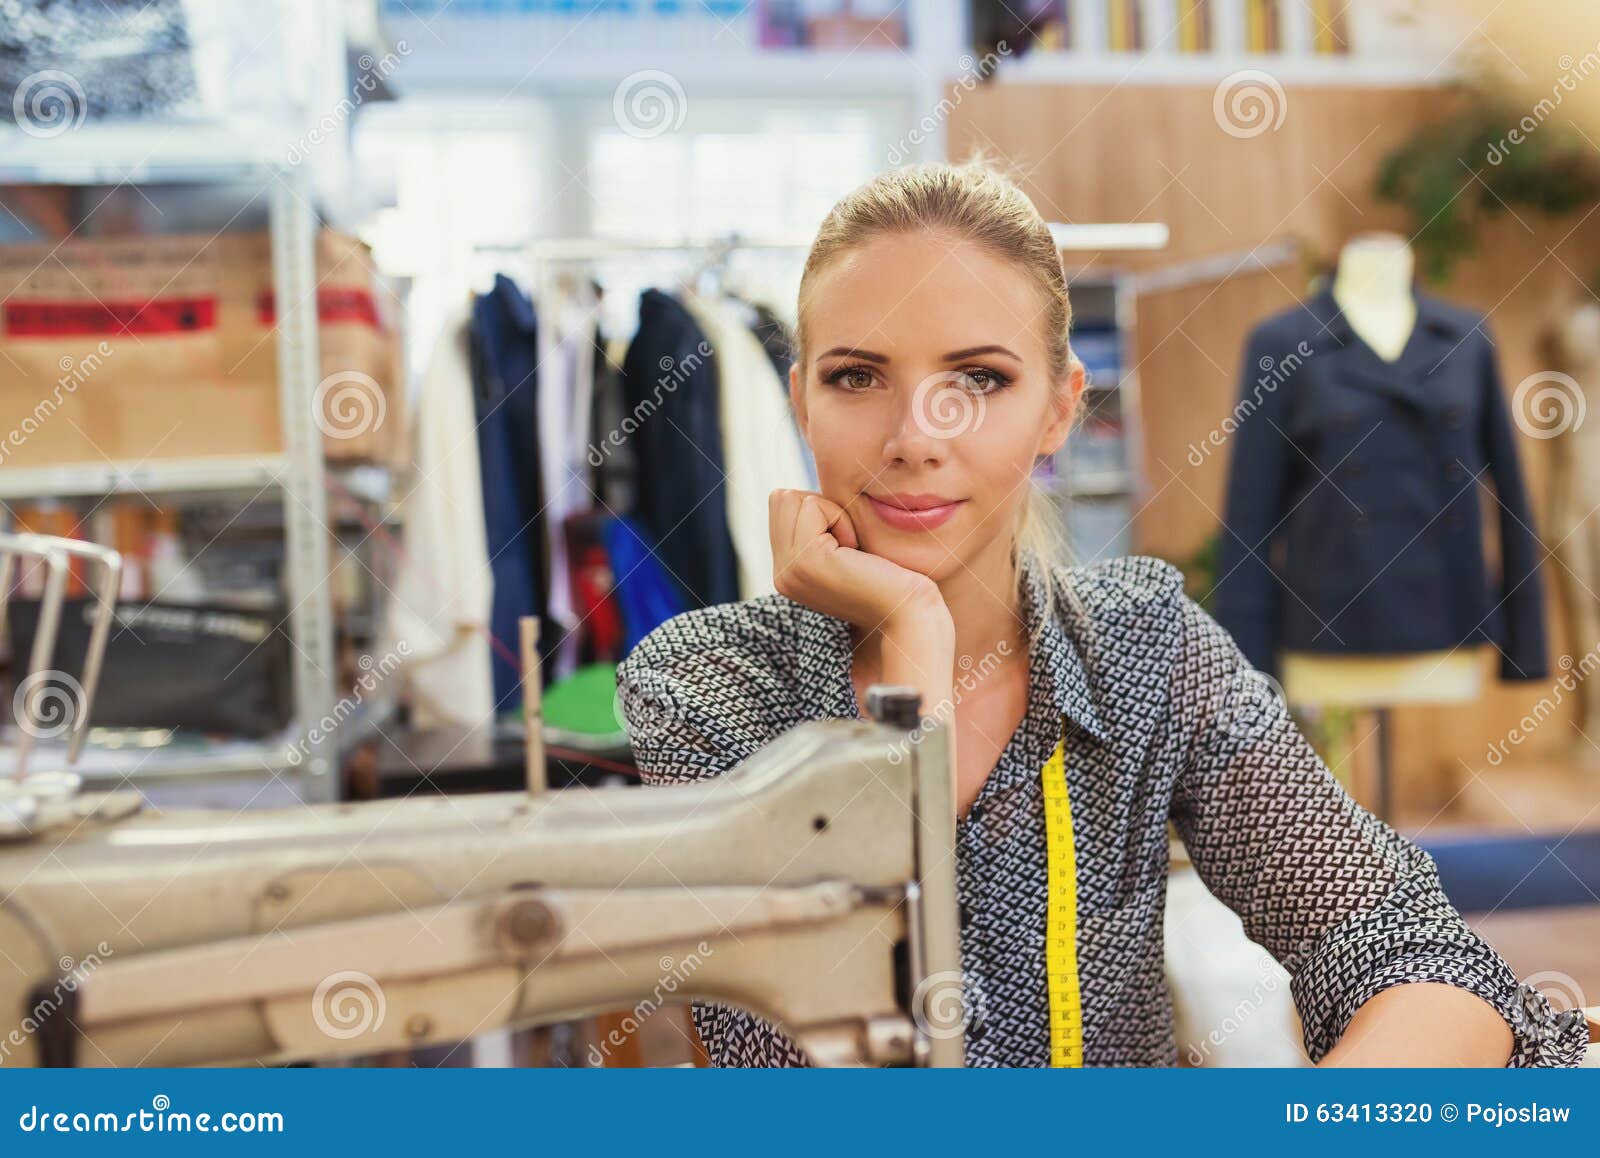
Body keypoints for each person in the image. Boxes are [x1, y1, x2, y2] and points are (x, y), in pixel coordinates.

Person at [615, 159, 1590, 1068]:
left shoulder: (1145, 647)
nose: (915, 437)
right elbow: (827, 1062)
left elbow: (1414, 954)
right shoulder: (704, 689)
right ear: (800, 400)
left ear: (1058, 408)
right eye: (857, 377)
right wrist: (915, 642)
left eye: (980, 379)